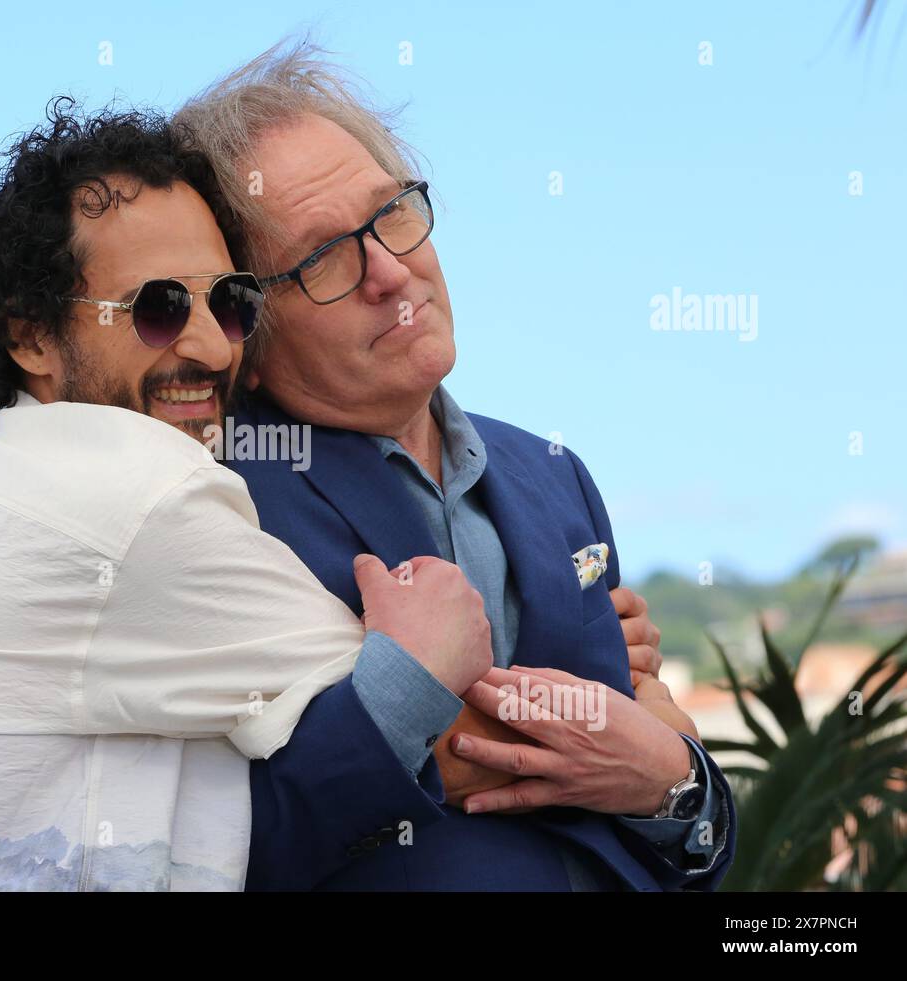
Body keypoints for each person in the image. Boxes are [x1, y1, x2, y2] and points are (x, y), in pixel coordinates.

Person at [0, 100, 492, 891]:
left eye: (229, 304)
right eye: (158, 309)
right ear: (30, 335)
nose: (210, 347)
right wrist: (603, 721)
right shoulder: (133, 497)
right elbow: (453, 736)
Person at [173, 40, 735, 890]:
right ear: (241, 327)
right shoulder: (220, 499)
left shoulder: (555, 473)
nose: (390, 271)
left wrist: (677, 784)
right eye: (323, 256)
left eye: (392, 211)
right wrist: (428, 711)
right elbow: (225, 837)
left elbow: (665, 794)